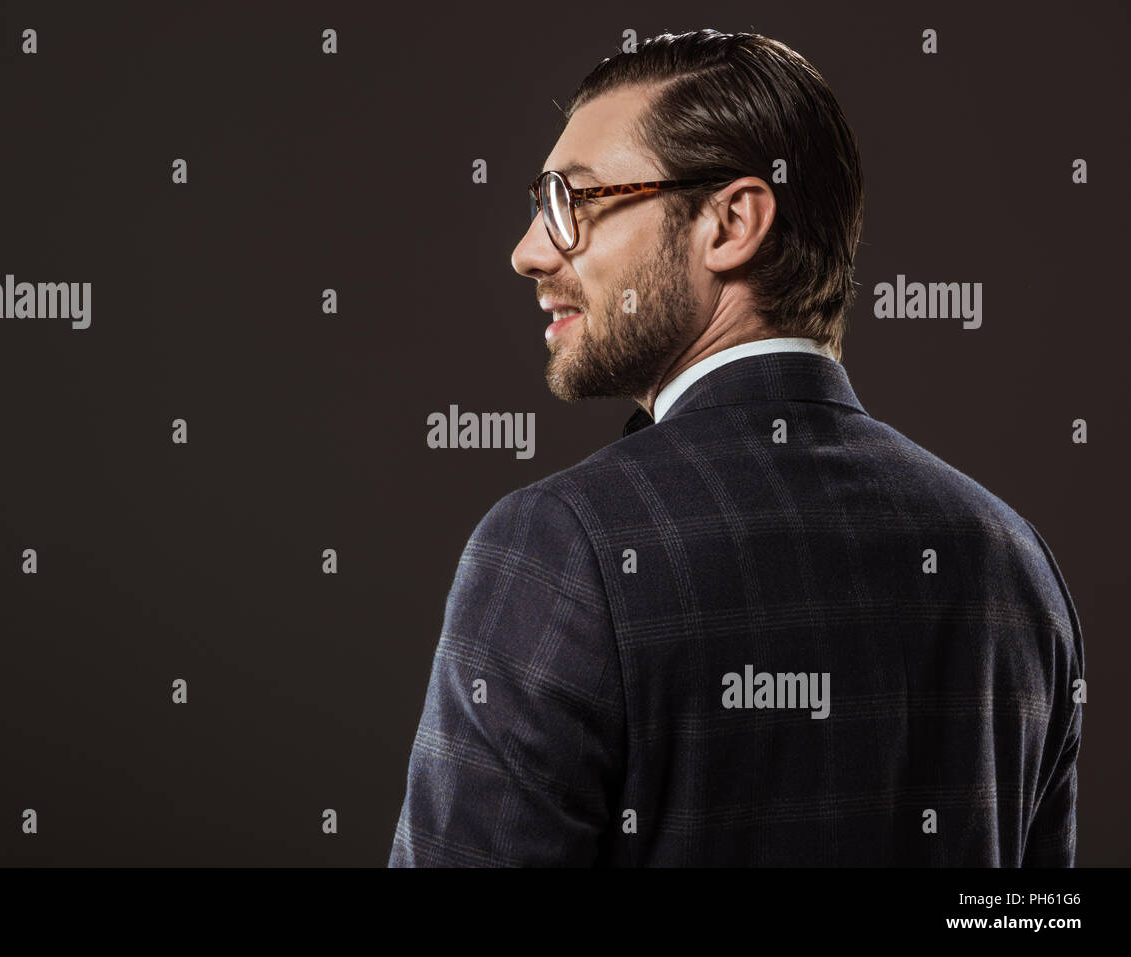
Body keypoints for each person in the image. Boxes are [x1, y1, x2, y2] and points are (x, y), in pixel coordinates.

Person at [388, 29, 1083, 866]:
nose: (531, 249)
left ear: (731, 221)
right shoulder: (1014, 561)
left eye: (573, 202)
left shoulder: (560, 545)